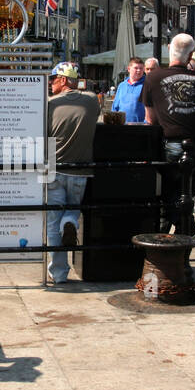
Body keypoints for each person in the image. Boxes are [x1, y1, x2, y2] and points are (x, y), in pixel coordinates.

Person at [143, 34, 195, 234]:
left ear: (169, 49)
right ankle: (184, 234)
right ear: (191, 54)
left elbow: (150, 119)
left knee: (169, 194)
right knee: (187, 194)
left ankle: (179, 232)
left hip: (172, 143)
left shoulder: (153, 78)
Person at [46, 62, 100, 284]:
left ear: (64, 80)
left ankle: (59, 274)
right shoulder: (91, 101)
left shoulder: (49, 104)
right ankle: (70, 221)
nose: (50, 83)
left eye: (54, 78)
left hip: (53, 168)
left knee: (52, 222)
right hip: (80, 170)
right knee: (73, 208)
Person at [111, 57, 147, 123]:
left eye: (141, 68)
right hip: (122, 126)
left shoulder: (147, 85)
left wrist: (145, 123)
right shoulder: (122, 86)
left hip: (140, 127)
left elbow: (151, 108)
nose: (139, 70)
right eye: (136, 68)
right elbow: (115, 107)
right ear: (129, 69)